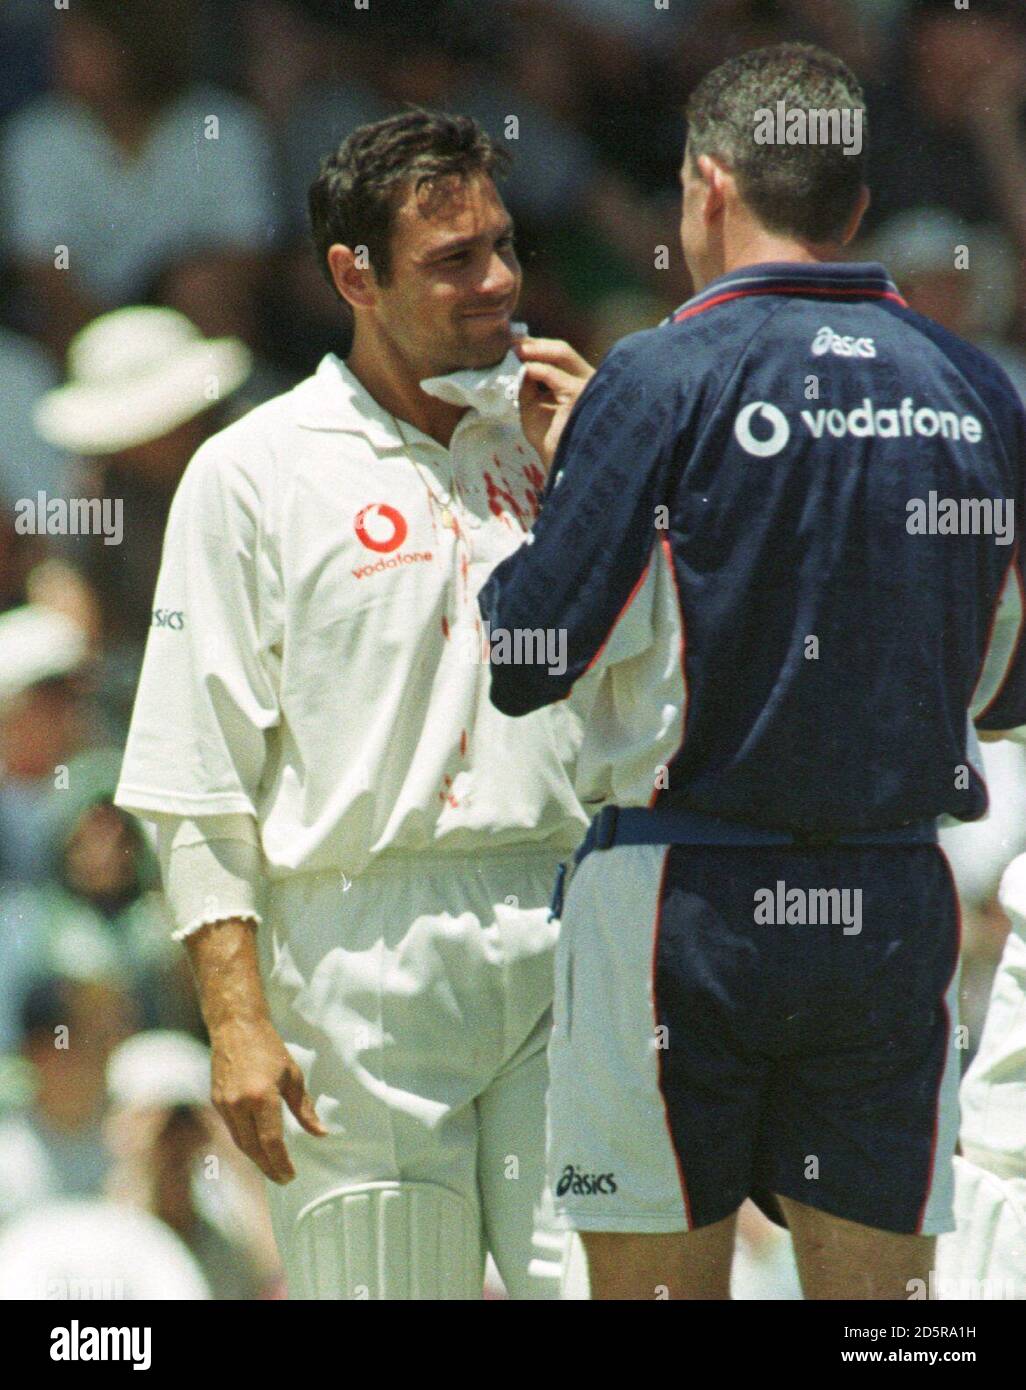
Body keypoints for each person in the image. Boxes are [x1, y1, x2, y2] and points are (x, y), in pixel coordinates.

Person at [479, 43, 1026, 1299]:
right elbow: (1005, 686)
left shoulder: (661, 375)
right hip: (894, 902)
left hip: (688, 901)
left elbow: (526, 655)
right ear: (856, 208)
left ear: (708, 187)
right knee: (888, 1322)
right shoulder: (974, 389)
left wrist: (572, 496)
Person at [114, 109, 592, 1300]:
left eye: (502, 246)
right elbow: (192, 770)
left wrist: (605, 480)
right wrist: (235, 1018)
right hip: (356, 953)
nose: (498, 283)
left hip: (567, 923)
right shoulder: (255, 471)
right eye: (451, 261)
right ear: (353, 276)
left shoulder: (566, 439)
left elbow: (668, 682)